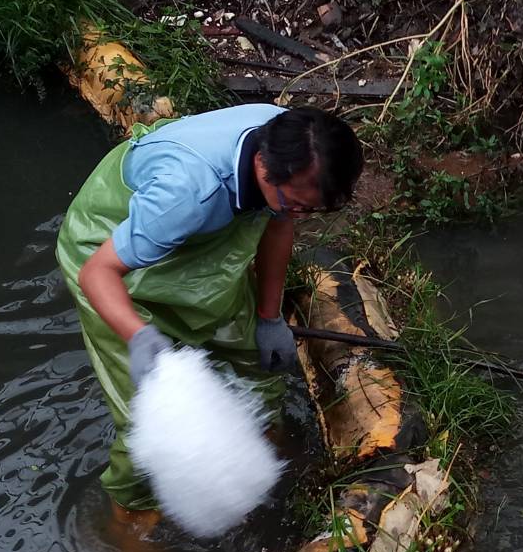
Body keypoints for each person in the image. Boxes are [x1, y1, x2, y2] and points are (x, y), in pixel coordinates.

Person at [56, 103, 363, 521]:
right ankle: (131, 515)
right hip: (111, 258)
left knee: (254, 358)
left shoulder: (295, 140)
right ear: (262, 165)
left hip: (201, 236)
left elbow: (279, 223)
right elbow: (98, 274)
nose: (301, 215)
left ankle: (263, 444)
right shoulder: (184, 194)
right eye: (296, 204)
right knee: (149, 417)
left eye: (312, 210)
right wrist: (138, 336)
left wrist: (269, 317)